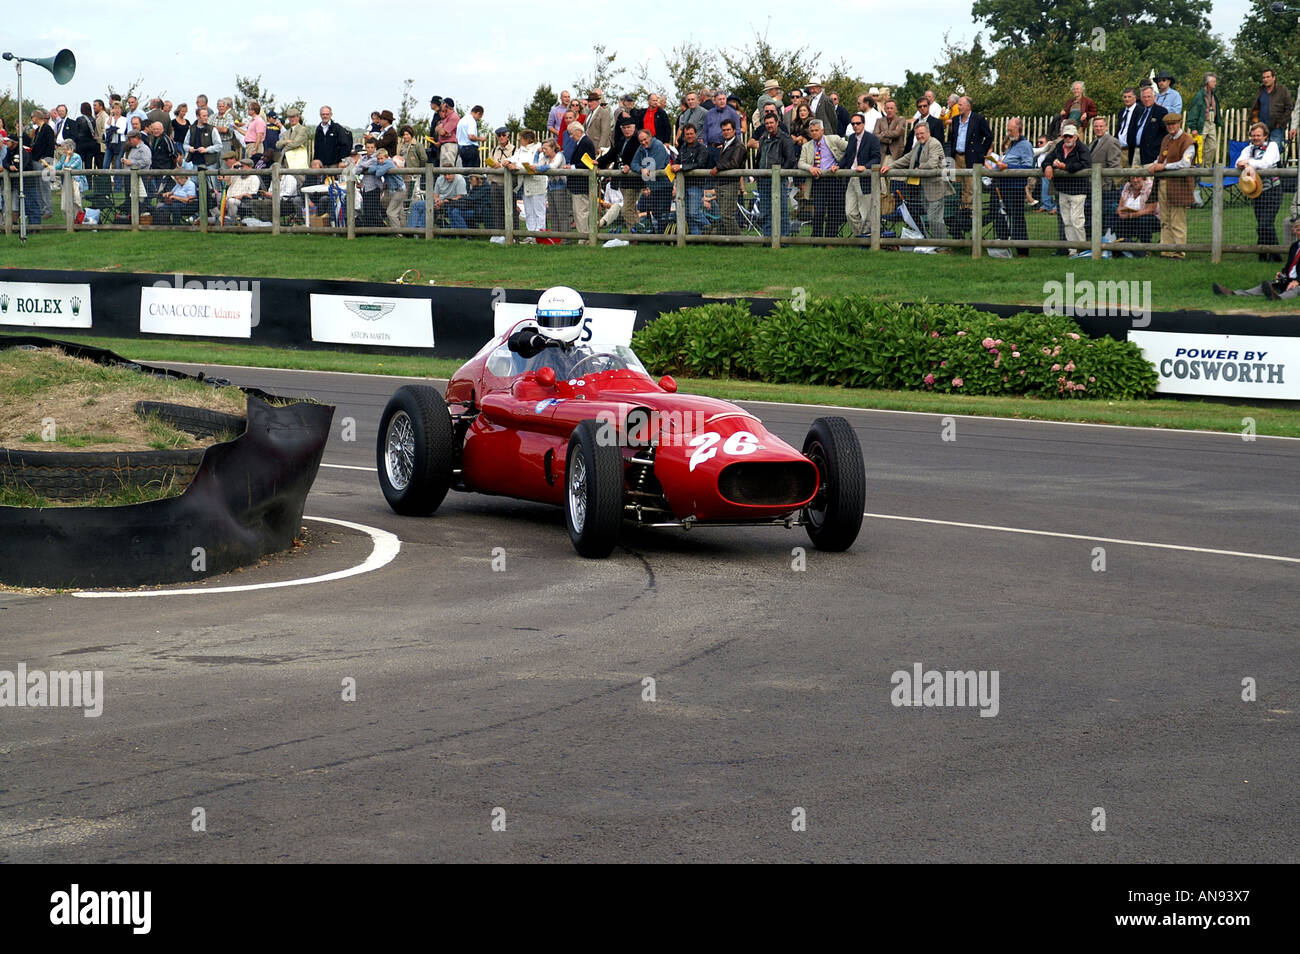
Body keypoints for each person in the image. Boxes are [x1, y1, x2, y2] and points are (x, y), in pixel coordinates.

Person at [881, 120, 952, 241]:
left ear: (928, 132)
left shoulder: (934, 144)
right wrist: (890, 166)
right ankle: (933, 244)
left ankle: (943, 245)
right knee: (930, 218)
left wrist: (918, 168)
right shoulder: (918, 145)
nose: (919, 136)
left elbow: (932, 163)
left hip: (936, 188)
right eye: (917, 134)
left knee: (934, 218)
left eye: (922, 133)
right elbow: (907, 158)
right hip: (922, 189)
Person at [1214, 219, 1300, 299]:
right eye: (1298, 230)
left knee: (1295, 289)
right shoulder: (1294, 246)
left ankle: (1279, 298)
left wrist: (1297, 281)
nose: (1299, 232)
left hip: (1298, 282)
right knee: (1267, 285)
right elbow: (1290, 265)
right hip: (1289, 279)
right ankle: (1234, 293)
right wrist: (1282, 273)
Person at [1149, 113, 1195, 259]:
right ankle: (1166, 249)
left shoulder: (1188, 141)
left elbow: (1185, 163)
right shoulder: (1166, 139)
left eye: (1174, 124)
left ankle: (1179, 251)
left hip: (1179, 184)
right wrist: (1156, 165)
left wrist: (1163, 167)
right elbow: (1160, 157)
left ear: (1180, 123)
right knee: (1165, 218)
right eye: (1168, 125)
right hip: (1163, 183)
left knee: (1178, 219)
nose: (1171, 127)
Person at [1236, 121, 1283, 260]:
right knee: (1262, 224)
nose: (1255, 138)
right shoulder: (1248, 149)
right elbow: (1238, 162)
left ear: (1265, 136)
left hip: (1273, 190)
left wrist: (1248, 163)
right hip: (1256, 191)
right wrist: (1245, 163)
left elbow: (1266, 163)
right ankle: (1265, 255)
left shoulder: (1272, 146)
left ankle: (1274, 254)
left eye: (1258, 135)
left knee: (1265, 224)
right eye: (1253, 135)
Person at [989, 116, 1033, 255]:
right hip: (1005, 185)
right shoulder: (1013, 145)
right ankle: (1005, 245)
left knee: (1017, 218)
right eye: (1008, 130)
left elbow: (1027, 166)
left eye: (1011, 130)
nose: (1008, 133)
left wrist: (1007, 166)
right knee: (1005, 216)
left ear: (1019, 129)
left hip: (1016, 186)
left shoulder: (1025, 145)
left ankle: (1022, 250)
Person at [1043, 122, 1091, 251]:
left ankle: (1083, 248)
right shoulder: (1059, 146)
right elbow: (1047, 159)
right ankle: (1072, 250)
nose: (1068, 139)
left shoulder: (1083, 149)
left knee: (1077, 221)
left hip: (1078, 190)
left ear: (1076, 136)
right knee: (1067, 221)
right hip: (1063, 190)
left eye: (1070, 136)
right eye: (1065, 136)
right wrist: (1048, 166)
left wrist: (1065, 167)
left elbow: (1085, 164)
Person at [749, 111, 797, 237]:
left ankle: (784, 238)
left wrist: (780, 175)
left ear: (777, 123)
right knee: (765, 210)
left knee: (781, 210)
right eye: (767, 123)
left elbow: (791, 159)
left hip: (777, 180)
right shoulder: (763, 138)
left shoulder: (785, 139)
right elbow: (758, 158)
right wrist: (757, 174)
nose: (769, 125)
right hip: (763, 180)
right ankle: (767, 238)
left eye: (771, 123)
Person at [798, 119, 847, 238]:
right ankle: (817, 238)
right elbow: (800, 163)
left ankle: (830, 239)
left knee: (833, 211)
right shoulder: (806, 146)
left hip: (834, 180)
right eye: (812, 131)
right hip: (818, 181)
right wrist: (811, 168)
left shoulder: (833, 139)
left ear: (822, 131)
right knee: (819, 211)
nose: (814, 133)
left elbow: (850, 149)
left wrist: (840, 165)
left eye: (817, 130)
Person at [947, 96, 993, 211]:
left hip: (971, 157)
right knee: (956, 186)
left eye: (961, 104)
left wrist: (981, 153)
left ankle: (970, 214)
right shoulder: (956, 119)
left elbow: (989, 136)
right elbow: (952, 138)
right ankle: (958, 212)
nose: (958, 106)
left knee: (970, 186)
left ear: (968, 106)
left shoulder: (978, 119)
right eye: (958, 104)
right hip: (957, 157)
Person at [841, 112, 881, 239]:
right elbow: (847, 156)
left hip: (865, 179)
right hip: (852, 177)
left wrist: (865, 167)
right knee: (850, 212)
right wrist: (838, 165)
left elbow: (877, 158)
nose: (855, 126)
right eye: (853, 124)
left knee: (866, 213)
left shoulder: (872, 138)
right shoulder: (852, 138)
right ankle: (862, 236)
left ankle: (868, 239)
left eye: (858, 123)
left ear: (863, 124)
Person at [628, 127, 671, 230]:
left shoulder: (658, 145)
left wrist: (646, 170)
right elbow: (633, 164)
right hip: (652, 187)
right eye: (641, 141)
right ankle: (657, 238)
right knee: (655, 213)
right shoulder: (641, 148)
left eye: (645, 139)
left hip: (664, 185)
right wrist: (641, 170)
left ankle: (665, 239)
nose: (643, 142)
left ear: (650, 137)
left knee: (663, 214)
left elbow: (658, 165)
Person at [672, 123, 711, 234]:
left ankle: (710, 226)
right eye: (687, 134)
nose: (689, 136)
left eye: (691, 133)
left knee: (693, 212)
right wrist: (674, 166)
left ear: (695, 134)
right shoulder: (683, 148)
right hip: (682, 184)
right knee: (688, 214)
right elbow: (677, 160)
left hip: (696, 184)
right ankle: (696, 238)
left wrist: (681, 167)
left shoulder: (702, 148)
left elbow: (700, 164)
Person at [506, 130, 546, 236]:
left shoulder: (539, 148)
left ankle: (540, 235)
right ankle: (530, 234)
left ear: (528, 139)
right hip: (525, 184)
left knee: (538, 211)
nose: (520, 141)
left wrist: (517, 166)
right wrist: (507, 161)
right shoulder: (520, 150)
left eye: (521, 139)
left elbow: (533, 164)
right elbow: (514, 158)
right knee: (529, 211)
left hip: (537, 183)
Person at [710, 118, 746, 235]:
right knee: (723, 214)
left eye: (728, 130)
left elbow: (734, 163)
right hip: (721, 183)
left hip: (731, 183)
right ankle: (726, 239)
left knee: (727, 215)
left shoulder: (738, 146)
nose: (726, 132)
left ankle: (737, 240)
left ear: (734, 130)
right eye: (724, 130)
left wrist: (718, 167)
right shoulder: (725, 144)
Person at [1186, 73, 1223, 168]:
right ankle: (1199, 168)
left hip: (1211, 123)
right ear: (1207, 83)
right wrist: (1193, 127)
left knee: (1212, 147)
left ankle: (1207, 167)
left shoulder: (1214, 95)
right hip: (1202, 124)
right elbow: (1193, 111)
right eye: (1213, 81)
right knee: (1199, 147)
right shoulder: (1199, 96)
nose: (1215, 83)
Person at [566, 122, 598, 234]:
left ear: (578, 131)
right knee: (579, 211)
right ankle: (584, 235)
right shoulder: (582, 142)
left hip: (581, 184)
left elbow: (589, 163)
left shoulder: (585, 142)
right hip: (578, 184)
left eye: (571, 133)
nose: (570, 136)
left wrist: (572, 167)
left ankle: (584, 237)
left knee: (581, 212)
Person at [1251, 68, 1292, 153]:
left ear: (1274, 78)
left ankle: (1277, 163)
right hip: (1262, 127)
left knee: (1275, 147)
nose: (1265, 79)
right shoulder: (1260, 91)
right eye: (1264, 78)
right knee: (1260, 150)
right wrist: (1255, 121)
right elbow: (1255, 107)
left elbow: (1289, 107)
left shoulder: (1282, 90)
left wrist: (1281, 123)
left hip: (1276, 126)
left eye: (1268, 77)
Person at [1115, 175, 1160, 251]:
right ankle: (1122, 246)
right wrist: (1120, 213)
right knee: (1115, 218)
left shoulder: (1150, 187)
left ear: (1143, 178)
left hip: (1152, 217)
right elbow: (1120, 206)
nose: (1135, 180)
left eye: (1138, 177)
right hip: (1130, 216)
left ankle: (1146, 248)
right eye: (1132, 178)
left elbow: (1151, 209)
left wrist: (1132, 215)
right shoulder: (1127, 186)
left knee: (1144, 220)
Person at [53, 140, 87, 223]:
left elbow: (67, 167)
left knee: (76, 202)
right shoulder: (64, 156)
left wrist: (68, 157)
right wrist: (51, 168)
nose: (63, 151)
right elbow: (58, 166)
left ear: (71, 148)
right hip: (66, 182)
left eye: (65, 149)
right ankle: (70, 222)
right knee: (64, 206)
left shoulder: (77, 157)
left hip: (76, 182)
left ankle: (77, 221)